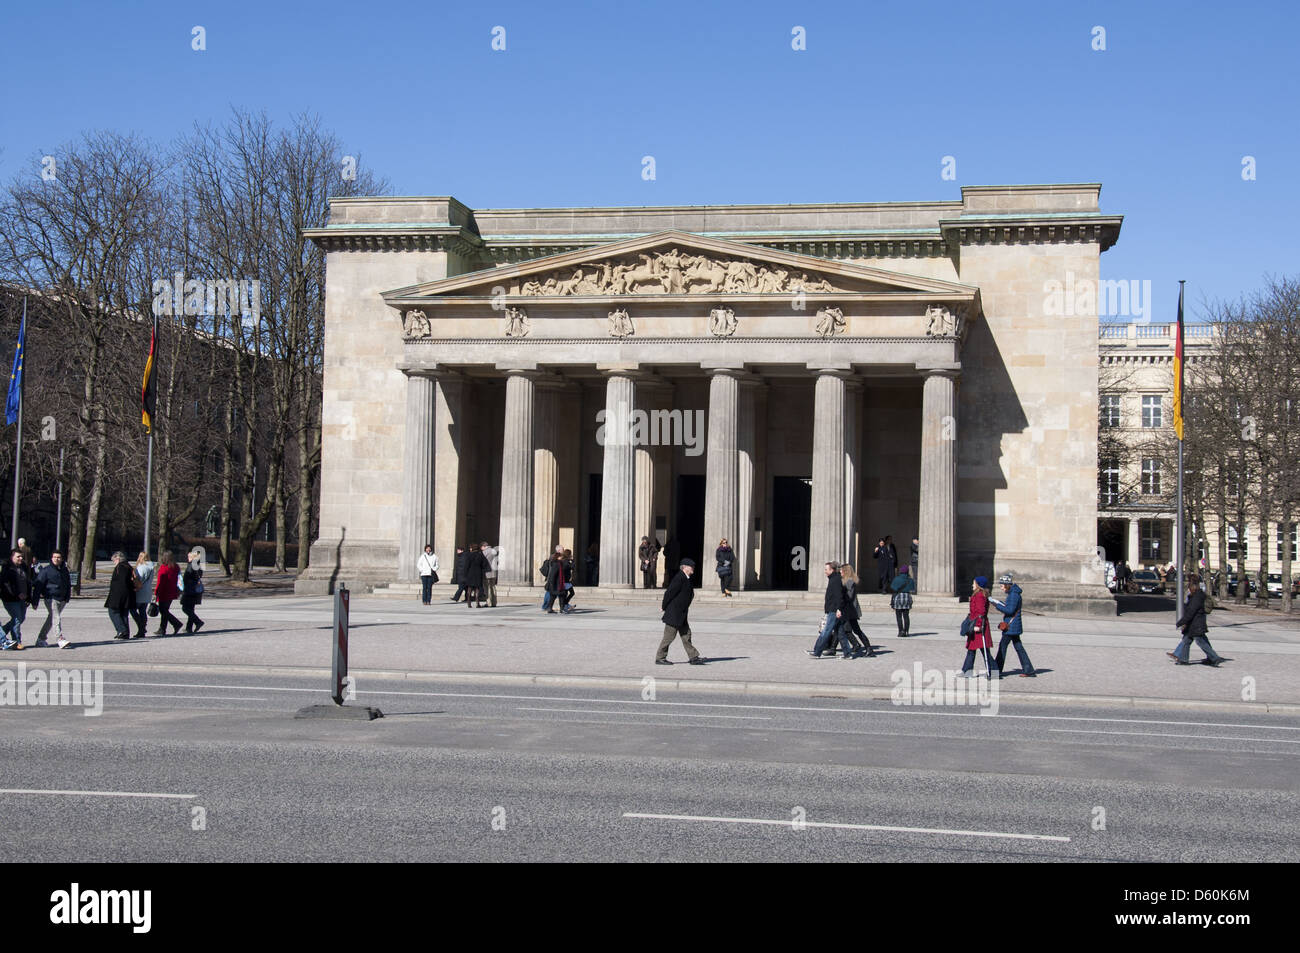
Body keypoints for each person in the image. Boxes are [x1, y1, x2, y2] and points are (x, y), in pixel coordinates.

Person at [1168, 574, 1226, 667]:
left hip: (1196, 624)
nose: (1188, 590)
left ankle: (1214, 658)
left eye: (1189, 588)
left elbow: (1191, 612)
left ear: (1192, 587)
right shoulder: (1197, 595)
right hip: (1194, 624)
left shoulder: (1197, 597)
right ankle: (1183, 659)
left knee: (1201, 642)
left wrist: (1181, 622)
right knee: (1187, 640)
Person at [656, 558, 704, 665]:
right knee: (669, 637)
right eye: (691, 566)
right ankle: (660, 657)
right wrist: (664, 606)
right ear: (685, 567)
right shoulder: (679, 578)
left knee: (686, 635)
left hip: (681, 613)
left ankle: (693, 657)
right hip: (674, 613)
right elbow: (669, 593)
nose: (693, 568)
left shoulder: (686, 578)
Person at [807, 562, 857, 659]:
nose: (825, 571)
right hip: (834, 609)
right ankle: (847, 654)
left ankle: (817, 651)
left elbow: (839, 596)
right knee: (840, 632)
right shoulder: (834, 579)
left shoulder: (836, 580)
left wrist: (838, 609)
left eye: (826, 569)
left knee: (826, 631)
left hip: (834, 610)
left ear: (832, 570)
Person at [990, 572, 1035, 677]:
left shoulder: (1014, 595)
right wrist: (999, 603)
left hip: (1011, 627)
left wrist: (996, 605)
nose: (1001, 588)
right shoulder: (1013, 593)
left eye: (1002, 586)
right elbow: (1010, 607)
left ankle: (996, 671)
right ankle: (1028, 669)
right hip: (1013, 626)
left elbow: (1009, 610)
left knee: (1003, 647)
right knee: (1018, 647)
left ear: (1007, 585)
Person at [34, 549, 72, 649]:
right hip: (51, 598)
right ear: (51, 558)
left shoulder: (64, 570)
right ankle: (60, 639)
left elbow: (67, 584)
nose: (56, 559)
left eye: (58, 557)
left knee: (52, 619)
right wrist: (35, 601)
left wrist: (67, 596)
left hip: (62, 598)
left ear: (62, 559)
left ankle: (41, 639)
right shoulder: (46, 570)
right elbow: (38, 586)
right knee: (56, 617)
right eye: (54, 557)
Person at [959, 576, 995, 677]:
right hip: (974, 623)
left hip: (978, 625)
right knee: (972, 649)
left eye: (974, 583)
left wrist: (978, 625)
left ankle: (993, 671)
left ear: (978, 585)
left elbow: (981, 612)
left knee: (984, 650)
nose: (972, 585)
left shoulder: (979, 595)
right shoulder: (978, 594)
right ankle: (967, 671)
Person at [0, 549, 35, 650]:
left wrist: (29, 597)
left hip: (23, 598)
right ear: (12, 557)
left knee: (20, 619)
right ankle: (17, 641)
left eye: (21, 556)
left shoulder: (23, 566)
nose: (21, 558)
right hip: (10, 598)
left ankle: (2, 633)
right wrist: (16, 594)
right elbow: (6, 584)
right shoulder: (7, 567)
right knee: (17, 619)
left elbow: (28, 582)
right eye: (18, 557)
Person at [839, 564, 874, 656]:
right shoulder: (847, 581)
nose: (840, 573)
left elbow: (849, 597)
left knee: (855, 630)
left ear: (845, 572)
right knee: (848, 629)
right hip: (849, 610)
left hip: (850, 610)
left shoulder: (849, 582)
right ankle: (858, 645)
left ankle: (868, 648)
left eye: (841, 571)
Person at [104, 551, 136, 641]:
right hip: (128, 594)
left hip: (118, 594)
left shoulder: (120, 567)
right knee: (124, 614)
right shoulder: (128, 566)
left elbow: (121, 582)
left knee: (113, 612)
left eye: (114, 560)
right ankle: (125, 633)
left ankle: (122, 630)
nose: (114, 562)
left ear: (117, 558)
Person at [153, 550, 183, 635]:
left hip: (164, 592)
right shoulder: (176, 567)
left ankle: (175, 623)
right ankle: (162, 628)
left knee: (163, 611)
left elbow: (160, 582)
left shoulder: (163, 567)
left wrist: (156, 592)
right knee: (165, 610)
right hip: (172, 591)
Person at [132, 551, 156, 639]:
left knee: (133, 610)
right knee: (142, 611)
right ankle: (143, 628)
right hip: (147, 591)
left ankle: (141, 628)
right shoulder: (151, 567)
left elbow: (139, 580)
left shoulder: (142, 567)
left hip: (140, 591)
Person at [180, 550, 205, 633]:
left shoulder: (191, 566)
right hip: (195, 590)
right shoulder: (198, 565)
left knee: (185, 608)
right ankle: (189, 627)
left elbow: (186, 578)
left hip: (189, 590)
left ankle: (198, 622)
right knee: (191, 608)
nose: (188, 558)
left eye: (189, 556)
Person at [545, 544, 573, 614]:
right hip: (556, 583)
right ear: (558, 557)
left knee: (553, 596)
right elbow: (552, 575)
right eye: (561, 556)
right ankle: (561, 609)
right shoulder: (556, 564)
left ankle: (550, 608)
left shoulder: (559, 564)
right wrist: (551, 584)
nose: (562, 557)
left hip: (557, 583)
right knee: (561, 595)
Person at [891, 564, 916, 637]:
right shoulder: (910, 580)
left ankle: (900, 631)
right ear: (907, 571)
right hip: (907, 597)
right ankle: (906, 631)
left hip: (898, 597)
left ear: (901, 571)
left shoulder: (897, 579)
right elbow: (912, 588)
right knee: (906, 616)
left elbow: (893, 588)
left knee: (899, 616)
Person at [462, 543, 486, 608]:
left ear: (472, 548)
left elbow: (466, 566)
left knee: (469, 589)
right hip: (478, 573)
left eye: (470, 548)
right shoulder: (480, 555)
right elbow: (484, 564)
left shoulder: (469, 555)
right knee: (477, 589)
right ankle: (477, 603)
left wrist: (464, 574)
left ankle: (469, 603)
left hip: (470, 574)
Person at [480, 541, 499, 607]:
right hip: (494, 572)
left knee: (487, 588)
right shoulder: (494, 551)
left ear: (484, 546)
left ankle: (489, 602)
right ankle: (494, 602)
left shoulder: (484, 552)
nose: (481, 549)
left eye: (481, 547)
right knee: (493, 587)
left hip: (487, 572)